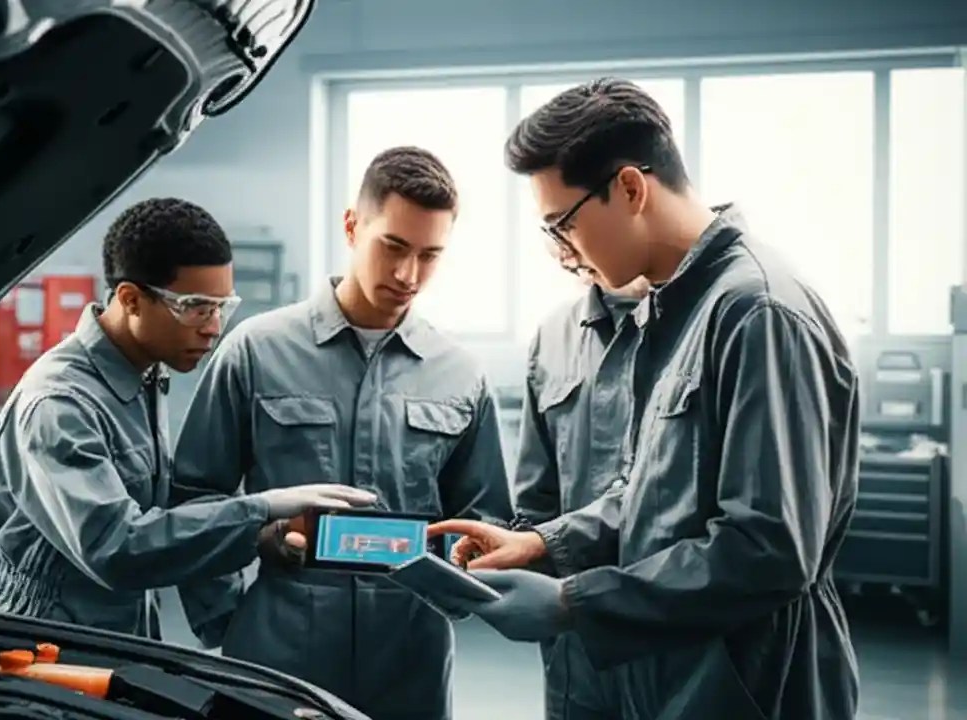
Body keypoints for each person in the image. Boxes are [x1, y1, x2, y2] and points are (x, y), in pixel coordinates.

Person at [432, 78, 860, 720]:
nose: (562, 249)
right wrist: (546, 544)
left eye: (562, 223)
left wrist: (574, 602)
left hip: (744, 677)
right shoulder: (665, 311)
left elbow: (767, 549)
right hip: (653, 673)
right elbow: (656, 496)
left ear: (630, 188)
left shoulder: (757, 312)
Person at [169, 147, 513, 720]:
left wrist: (454, 578)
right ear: (353, 226)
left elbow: (487, 515)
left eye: (430, 255)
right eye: (394, 247)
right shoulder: (256, 350)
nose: (409, 275)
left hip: (411, 656)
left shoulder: (460, 372)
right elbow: (195, 495)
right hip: (277, 650)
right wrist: (225, 617)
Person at [0, 197, 376, 638]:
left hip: (118, 633)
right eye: (196, 307)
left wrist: (260, 536)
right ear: (130, 299)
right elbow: (117, 548)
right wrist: (260, 507)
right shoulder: (59, 405)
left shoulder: (143, 374)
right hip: (45, 642)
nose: (213, 327)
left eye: (223, 307)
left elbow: (161, 515)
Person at [511, 259, 650, 720]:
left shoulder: (698, 324)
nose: (564, 249)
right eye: (552, 233)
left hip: (668, 630)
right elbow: (535, 500)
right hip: (574, 645)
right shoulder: (553, 337)